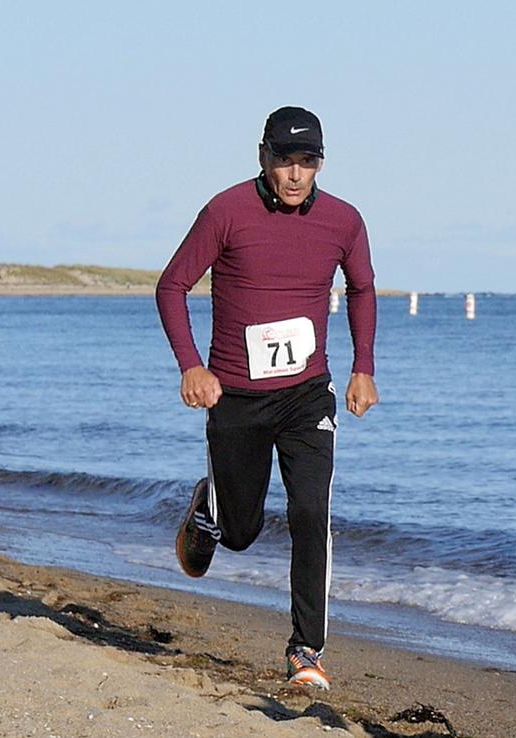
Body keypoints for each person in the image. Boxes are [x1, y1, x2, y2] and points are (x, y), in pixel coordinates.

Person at [156, 106, 379, 691]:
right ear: (264, 157)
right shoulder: (225, 212)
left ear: (320, 164)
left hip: (308, 396)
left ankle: (306, 650)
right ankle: (209, 511)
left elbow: (361, 288)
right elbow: (172, 286)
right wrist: (192, 367)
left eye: (308, 162)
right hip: (236, 396)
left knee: (311, 514)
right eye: (285, 161)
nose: (296, 174)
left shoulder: (344, 220)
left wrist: (363, 368)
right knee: (240, 533)